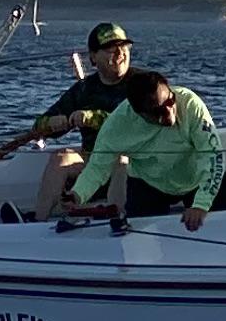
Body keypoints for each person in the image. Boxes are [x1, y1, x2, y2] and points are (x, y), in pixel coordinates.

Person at [62, 68, 226, 233]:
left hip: (196, 179)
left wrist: (201, 205)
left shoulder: (190, 104)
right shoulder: (117, 126)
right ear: (138, 113)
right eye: (157, 111)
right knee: (136, 236)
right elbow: (97, 169)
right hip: (149, 183)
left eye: (170, 102)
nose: (168, 113)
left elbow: (212, 155)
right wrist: (76, 195)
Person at [23, 23, 139, 215]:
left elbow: (139, 122)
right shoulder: (84, 89)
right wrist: (51, 124)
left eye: (124, 47)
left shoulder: (143, 83)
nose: (119, 53)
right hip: (94, 162)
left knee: (121, 159)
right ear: (93, 56)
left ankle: (115, 218)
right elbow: (39, 125)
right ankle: (38, 219)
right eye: (111, 48)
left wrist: (93, 118)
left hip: (138, 163)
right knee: (61, 158)